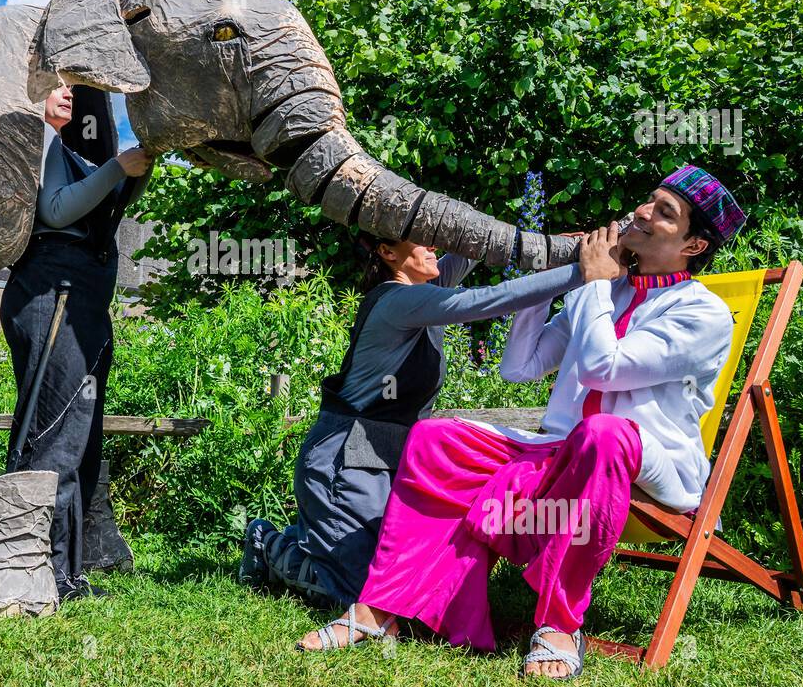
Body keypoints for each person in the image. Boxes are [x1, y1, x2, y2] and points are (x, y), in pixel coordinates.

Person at [296, 165, 746, 682]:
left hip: (647, 463)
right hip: (559, 449)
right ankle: (383, 608)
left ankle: (559, 623)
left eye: (665, 214)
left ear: (693, 246)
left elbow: (606, 368)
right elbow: (520, 367)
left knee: (602, 435)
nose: (642, 213)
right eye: (649, 201)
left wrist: (593, 283)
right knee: (434, 437)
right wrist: (555, 274)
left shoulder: (701, 312)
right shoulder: (601, 293)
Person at [238, 233, 587, 608]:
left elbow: (478, 243)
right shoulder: (399, 300)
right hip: (345, 457)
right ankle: (271, 545)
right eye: (422, 241)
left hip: (387, 457)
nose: (434, 247)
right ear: (388, 252)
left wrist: (545, 245)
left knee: (392, 581)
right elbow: (486, 299)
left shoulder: (425, 285)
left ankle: (315, 539)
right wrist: (581, 270)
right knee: (358, 596)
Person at [0, 84, 152, 602]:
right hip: (52, 291)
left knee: (79, 435)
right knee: (54, 433)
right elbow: (58, 211)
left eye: (70, 86)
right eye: (53, 84)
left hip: (80, 296)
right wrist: (116, 168)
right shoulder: (35, 139)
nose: (66, 93)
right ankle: (30, 564)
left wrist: (136, 166)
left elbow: (104, 201)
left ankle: (64, 569)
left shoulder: (65, 149)